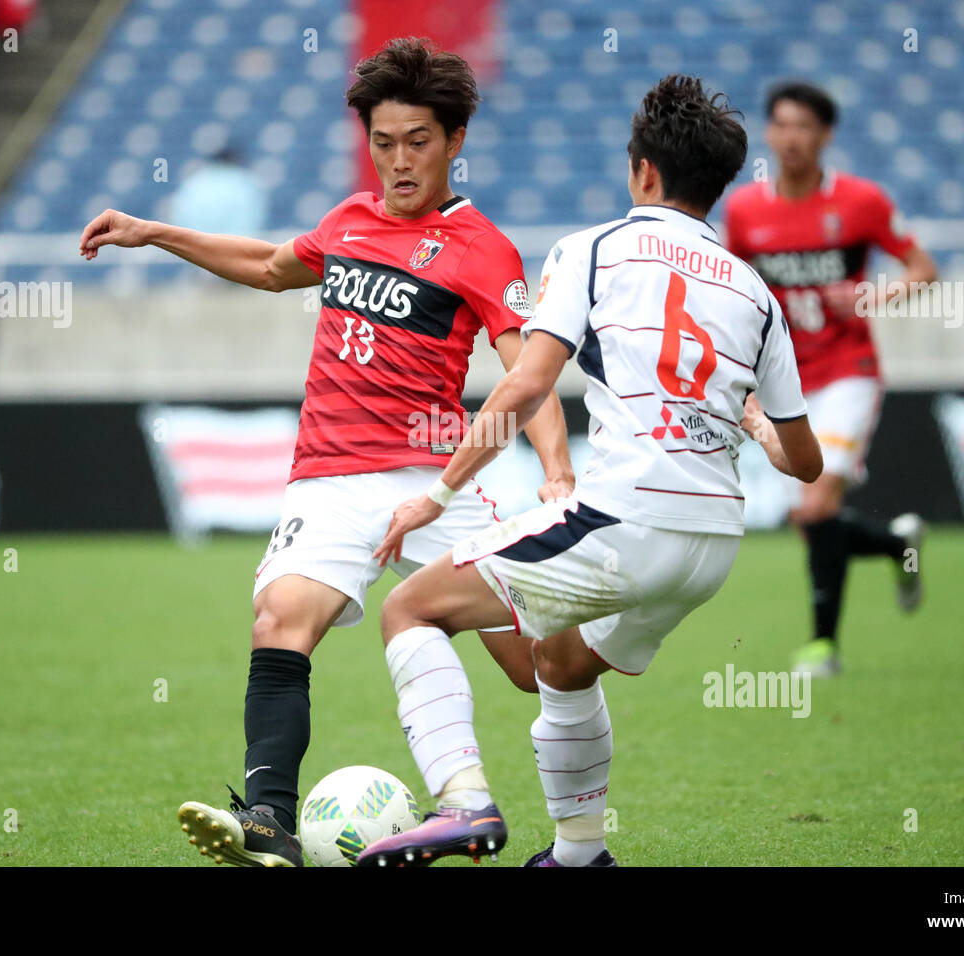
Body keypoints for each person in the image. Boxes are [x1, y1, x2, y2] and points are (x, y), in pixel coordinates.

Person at [78, 37, 575, 867]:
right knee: (278, 622)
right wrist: (152, 231)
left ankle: (576, 821)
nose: (400, 160)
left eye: (419, 140)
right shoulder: (348, 220)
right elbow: (273, 266)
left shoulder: (481, 246)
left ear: (455, 141)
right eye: (384, 143)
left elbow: (530, 372)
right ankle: (270, 821)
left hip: (437, 477)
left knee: (534, 668)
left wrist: (558, 474)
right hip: (331, 475)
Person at [353, 74, 822, 868]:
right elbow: (804, 461)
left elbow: (527, 382)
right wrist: (751, 425)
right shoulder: (755, 292)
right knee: (562, 663)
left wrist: (438, 495)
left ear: (642, 171)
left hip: (626, 520)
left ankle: (463, 804)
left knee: (409, 610)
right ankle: (579, 856)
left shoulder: (592, 248)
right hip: (712, 542)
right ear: (719, 185)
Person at [723, 81, 938, 677]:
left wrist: (872, 294)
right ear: (768, 133)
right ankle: (898, 547)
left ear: (825, 135)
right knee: (808, 520)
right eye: (782, 126)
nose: (791, 139)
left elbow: (923, 269)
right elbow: (735, 294)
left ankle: (823, 649)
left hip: (848, 373)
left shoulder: (861, 201)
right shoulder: (745, 212)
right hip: (785, 381)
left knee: (815, 504)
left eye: (804, 127)